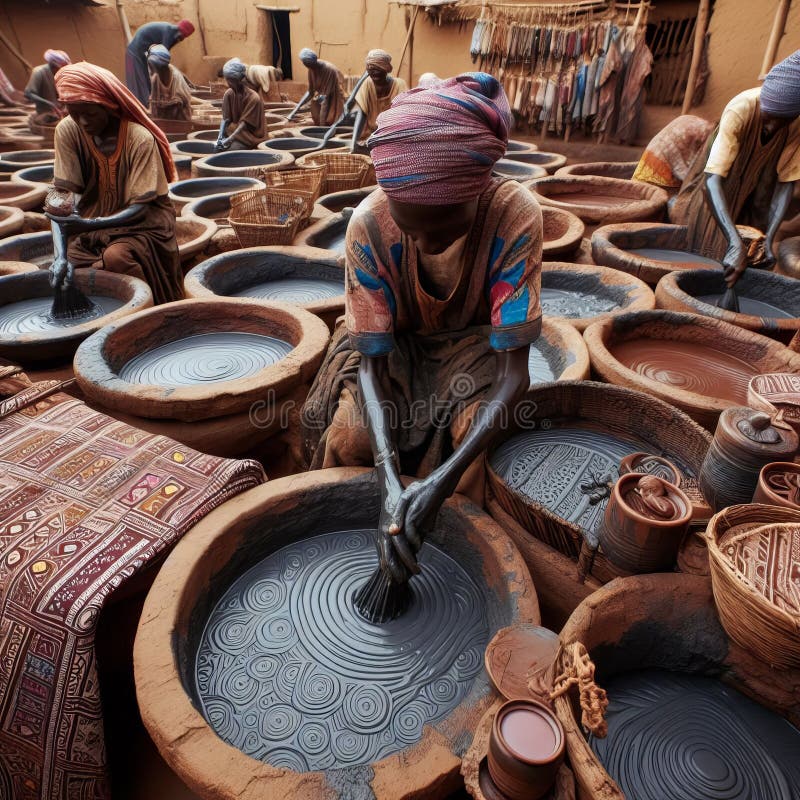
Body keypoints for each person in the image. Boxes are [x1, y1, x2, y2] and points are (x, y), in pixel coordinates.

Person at [302, 73, 542, 583]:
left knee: (473, 454)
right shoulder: (369, 224)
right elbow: (371, 366)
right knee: (349, 437)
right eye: (411, 230)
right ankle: (342, 549)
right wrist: (388, 480)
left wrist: (441, 484)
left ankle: (460, 566)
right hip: (396, 352)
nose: (426, 245)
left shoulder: (514, 215)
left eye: (444, 228)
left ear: (478, 190)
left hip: (475, 352)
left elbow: (514, 373)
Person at [48, 62, 183, 305]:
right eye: (74, 113)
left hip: (143, 223)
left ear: (108, 106)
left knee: (117, 258)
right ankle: (103, 312)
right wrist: (59, 257)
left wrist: (88, 224)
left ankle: (149, 310)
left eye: (90, 114)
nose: (83, 122)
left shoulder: (138, 138)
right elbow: (60, 199)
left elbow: (140, 207)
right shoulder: (68, 130)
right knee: (68, 268)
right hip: (94, 221)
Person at [670, 50, 800, 287]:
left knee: (753, 241)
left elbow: (786, 183)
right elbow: (712, 181)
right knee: (704, 235)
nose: (772, 127)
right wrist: (733, 242)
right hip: (719, 178)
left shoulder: (795, 123)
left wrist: (770, 238)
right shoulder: (741, 107)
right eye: (768, 118)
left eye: (781, 121)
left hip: (757, 178)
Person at [632, 115, 716, 188]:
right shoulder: (704, 136)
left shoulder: (702, 126)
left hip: (653, 158)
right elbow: (690, 176)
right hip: (657, 173)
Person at [125, 19, 195, 106]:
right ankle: (140, 106)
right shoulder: (169, 32)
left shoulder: (173, 35)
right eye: (183, 36)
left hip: (141, 53)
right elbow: (163, 57)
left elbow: (164, 57)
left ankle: (146, 103)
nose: (182, 39)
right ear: (180, 31)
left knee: (146, 79)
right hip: (135, 53)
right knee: (138, 80)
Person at [350, 49, 407, 152]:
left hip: (393, 134)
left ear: (386, 69)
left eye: (377, 69)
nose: (374, 73)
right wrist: (354, 142)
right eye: (371, 70)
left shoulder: (399, 85)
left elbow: (403, 117)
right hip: (371, 134)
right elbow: (361, 113)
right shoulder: (368, 84)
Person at [214, 58, 265, 151]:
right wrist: (220, 137)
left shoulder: (254, 98)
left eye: (229, 80)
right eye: (227, 79)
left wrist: (230, 139)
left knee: (228, 151)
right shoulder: (229, 94)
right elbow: (225, 119)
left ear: (238, 80)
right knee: (216, 147)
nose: (227, 83)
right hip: (234, 131)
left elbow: (244, 124)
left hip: (249, 136)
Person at [287, 49, 344, 125]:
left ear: (312, 63)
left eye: (305, 63)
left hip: (335, 96)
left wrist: (321, 126)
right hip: (323, 96)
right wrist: (296, 109)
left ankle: (325, 126)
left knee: (330, 119)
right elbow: (310, 92)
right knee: (314, 106)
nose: (304, 65)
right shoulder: (311, 70)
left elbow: (326, 98)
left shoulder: (329, 70)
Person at [25, 50, 71, 126]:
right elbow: (28, 93)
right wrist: (50, 104)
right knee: (57, 124)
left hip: (62, 111)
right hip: (46, 112)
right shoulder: (38, 72)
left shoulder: (64, 73)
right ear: (53, 66)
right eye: (61, 68)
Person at [148, 44, 192, 121]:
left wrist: (165, 105)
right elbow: (153, 105)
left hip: (180, 119)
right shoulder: (155, 78)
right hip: (162, 120)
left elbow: (180, 103)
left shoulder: (176, 77)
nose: (151, 69)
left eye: (153, 66)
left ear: (161, 67)